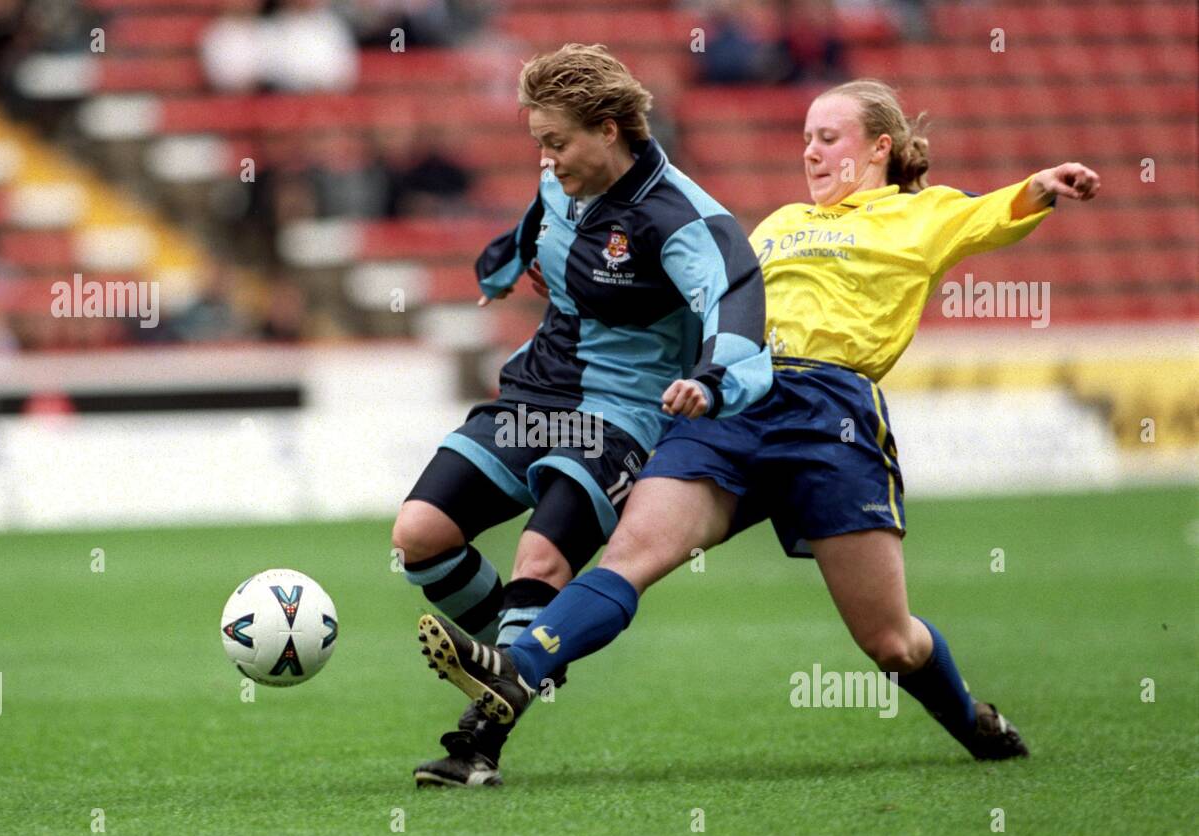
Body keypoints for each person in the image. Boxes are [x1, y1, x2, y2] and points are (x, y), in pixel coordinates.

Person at [417, 78, 1102, 773]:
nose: (810, 151)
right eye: (805, 138)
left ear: (880, 148)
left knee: (891, 643)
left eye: (827, 138)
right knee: (631, 556)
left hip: (828, 416)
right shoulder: (778, 224)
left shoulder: (919, 214)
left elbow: (990, 216)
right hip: (736, 401)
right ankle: (508, 682)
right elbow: (708, 301)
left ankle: (971, 721)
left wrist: (1041, 187)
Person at [396, 44, 772, 787]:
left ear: (608, 129)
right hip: (537, 395)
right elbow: (543, 220)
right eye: (538, 142)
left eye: (556, 142)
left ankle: (479, 745)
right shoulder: (563, 179)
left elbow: (736, 295)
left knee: (541, 559)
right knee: (419, 538)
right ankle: (530, 650)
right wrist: (503, 268)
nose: (545, 158)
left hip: (620, 417)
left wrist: (713, 378)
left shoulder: (683, 217)